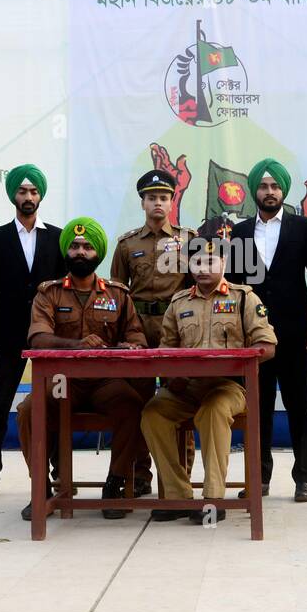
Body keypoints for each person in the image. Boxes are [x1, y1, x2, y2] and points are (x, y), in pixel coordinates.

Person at [142, 218, 277, 524]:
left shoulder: (244, 298)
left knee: (213, 411)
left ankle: (213, 498)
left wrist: (240, 359)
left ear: (224, 261)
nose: (203, 268)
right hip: (186, 387)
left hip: (228, 388)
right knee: (152, 413)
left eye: (210, 260)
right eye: (197, 261)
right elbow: (167, 347)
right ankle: (178, 497)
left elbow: (267, 346)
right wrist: (171, 376)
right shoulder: (178, 302)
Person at [14, 218, 148, 520]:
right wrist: (76, 345)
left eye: (87, 247)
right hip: (63, 382)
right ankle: (41, 488)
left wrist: (132, 346)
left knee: (132, 406)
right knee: (27, 411)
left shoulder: (118, 294)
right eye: (74, 246)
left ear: (98, 254)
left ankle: (114, 484)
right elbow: (37, 337)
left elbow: (136, 336)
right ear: (66, 252)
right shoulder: (49, 293)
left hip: (105, 382)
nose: (80, 252)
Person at [228, 158, 307, 503]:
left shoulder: (303, 227)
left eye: (275, 186)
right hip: (252, 335)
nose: (269, 192)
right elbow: (233, 284)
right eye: (263, 186)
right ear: (254, 190)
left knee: (300, 405)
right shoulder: (240, 232)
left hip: (296, 332)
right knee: (258, 407)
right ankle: (260, 478)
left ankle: (304, 478)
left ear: (283, 190)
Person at [0, 165, 66, 500]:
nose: (28, 197)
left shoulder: (57, 237)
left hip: (50, 335)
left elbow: (65, 291)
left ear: (41, 195)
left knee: (56, 400)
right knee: (0, 405)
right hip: (10, 333)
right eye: (22, 191)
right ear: (13, 194)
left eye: (33, 192)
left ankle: (57, 472)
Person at [111, 169, 197, 494]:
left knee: (179, 402)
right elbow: (118, 295)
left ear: (172, 201)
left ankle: (180, 477)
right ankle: (141, 476)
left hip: (176, 332)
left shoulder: (190, 241)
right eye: (151, 198)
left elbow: (197, 288)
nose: (157, 203)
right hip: (138, 334)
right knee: (139, 404)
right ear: (142, 203)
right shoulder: (127, 244)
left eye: (163, 197)